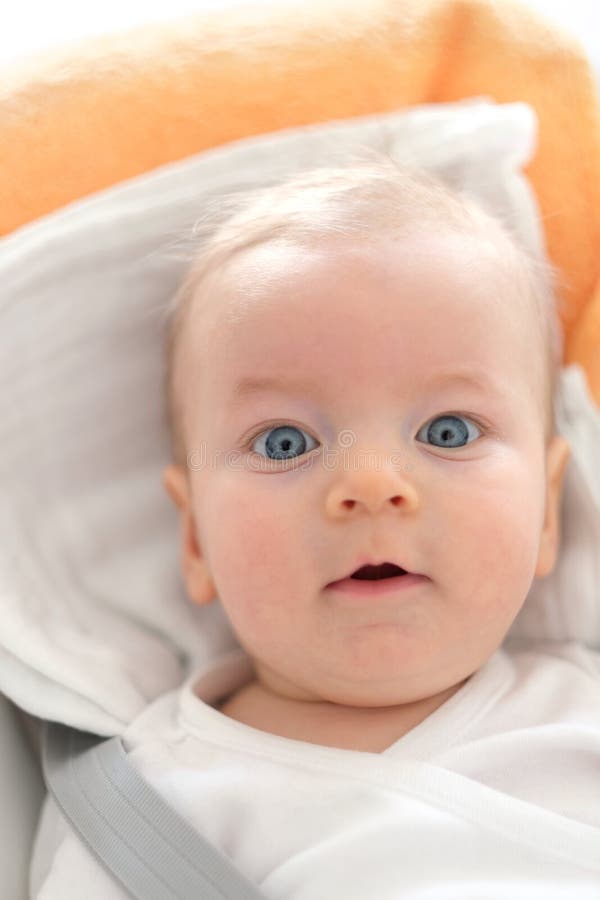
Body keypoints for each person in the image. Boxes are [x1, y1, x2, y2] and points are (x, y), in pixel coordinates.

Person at [32, 158, 600, 896]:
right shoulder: (140, 807)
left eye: (450, 431)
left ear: (547, 511)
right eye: (284, 443)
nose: (371, 486)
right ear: (197, 537)